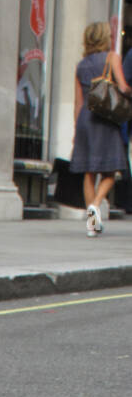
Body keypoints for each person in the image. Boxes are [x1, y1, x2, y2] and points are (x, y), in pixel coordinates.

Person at [71, 22, 131, 236]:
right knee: (111, 169)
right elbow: (123, 87)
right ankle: (96, 204)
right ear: (104, 38)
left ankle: (92, 223)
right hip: (105, 117)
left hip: (85, 119)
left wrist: (75, 130)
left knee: (89, 171)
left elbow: (78, 102)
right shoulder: (112, 57)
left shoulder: (81, 65)